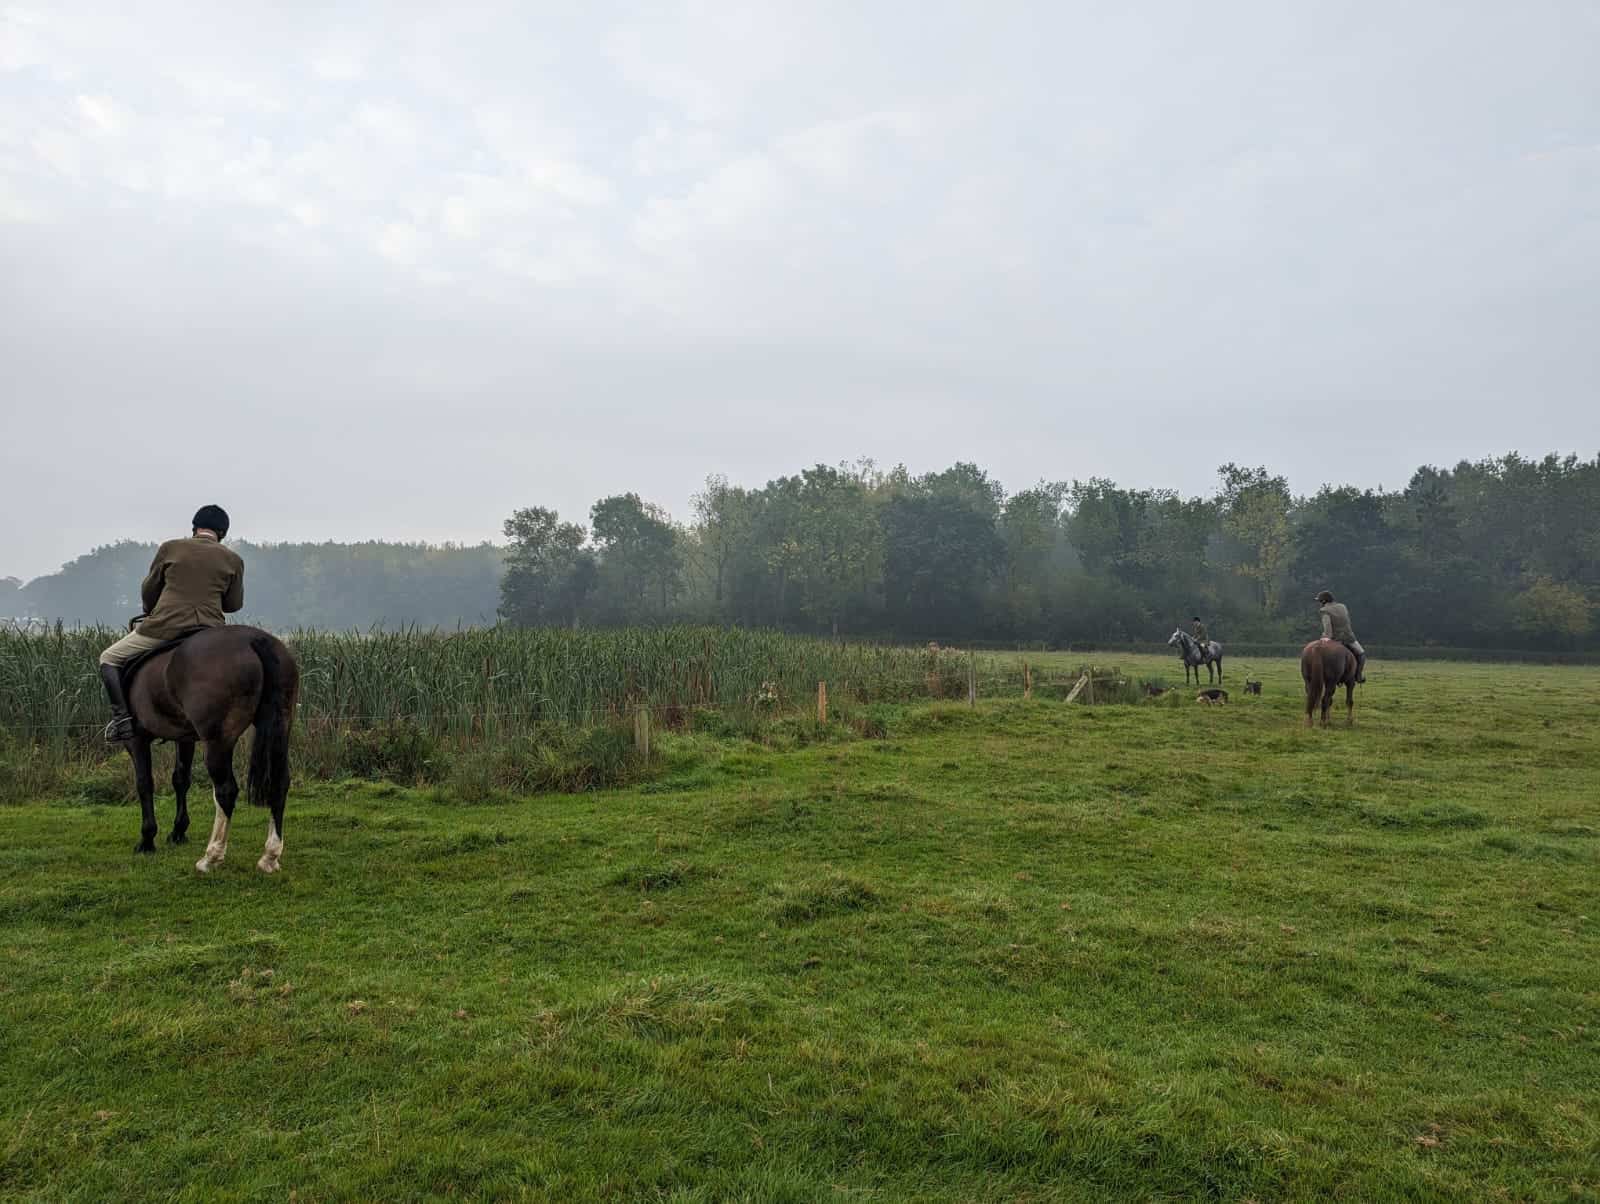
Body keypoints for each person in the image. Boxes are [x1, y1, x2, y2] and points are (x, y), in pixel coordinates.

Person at [97, 505, 245, 742]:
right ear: (223, 533)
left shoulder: (171, 548)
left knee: (108, 658)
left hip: (166, 626)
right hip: (210, 632)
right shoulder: (234, 560)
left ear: (195, 527)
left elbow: (149, 590)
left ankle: (122, 721)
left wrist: (149, 610)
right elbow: (233, 604)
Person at [1315, 589, 1365, 683]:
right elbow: (1346, 621)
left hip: (1335, 638)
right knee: (1361, 654)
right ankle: (1358, 675)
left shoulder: (1324, 610)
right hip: (1348, 637)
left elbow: (1327, 626)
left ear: (1324, 601)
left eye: (1320, 601)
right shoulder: (1343, 606)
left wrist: (1326, 637)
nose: (1319, 603)